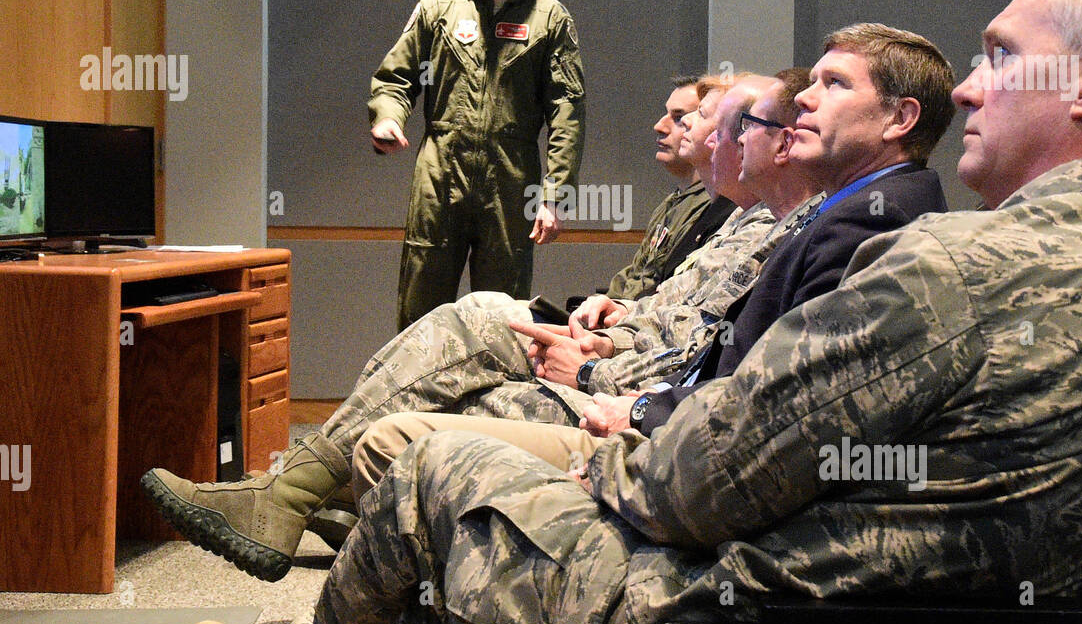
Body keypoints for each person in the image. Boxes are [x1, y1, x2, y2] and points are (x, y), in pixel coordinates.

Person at [311, 0, 1082, 624]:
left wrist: (598, 459)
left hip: (725, 610)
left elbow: (695, 484)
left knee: (431, 473)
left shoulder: (960, 268)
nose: (970, 89)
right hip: (917, 602)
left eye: (1000, 57)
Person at [141, 78, 792, 580]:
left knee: (478, 320)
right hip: (619, 354)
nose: (717, 140)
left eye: (738, 126)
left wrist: (595, 357)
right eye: (721, 125)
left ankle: (290, 494)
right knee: (464, 343)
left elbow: (699, 350)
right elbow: (663, 310)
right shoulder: (729, 213)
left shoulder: (776, 225)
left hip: (630, 386)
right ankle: (299, 497)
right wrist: (609, 321)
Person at [347, 24, 953, 493]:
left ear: (900, 118)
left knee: (415, 427)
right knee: (456, 368)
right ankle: (300, 494)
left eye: (835, 85)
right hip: (670, 413)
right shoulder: (844, 211)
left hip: (681, 450)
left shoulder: (869, 220)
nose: (805, 107)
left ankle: (302, 496)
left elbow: (770, 401)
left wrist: (620, 394)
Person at [369, 0, 586, 330]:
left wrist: (556, 195)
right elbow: (396, 77)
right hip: (440, 175)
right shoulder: (440, 8)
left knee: (503, 319)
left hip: (509, 179)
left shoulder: (549, 19)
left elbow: (567, 110)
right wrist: (389, 116)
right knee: (420, 312)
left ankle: (496, 401)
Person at [604, 76, 717, 301]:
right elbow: (638, 275)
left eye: (678, 117)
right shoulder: (671, 203)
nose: (659, 126)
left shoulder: (717, 208)